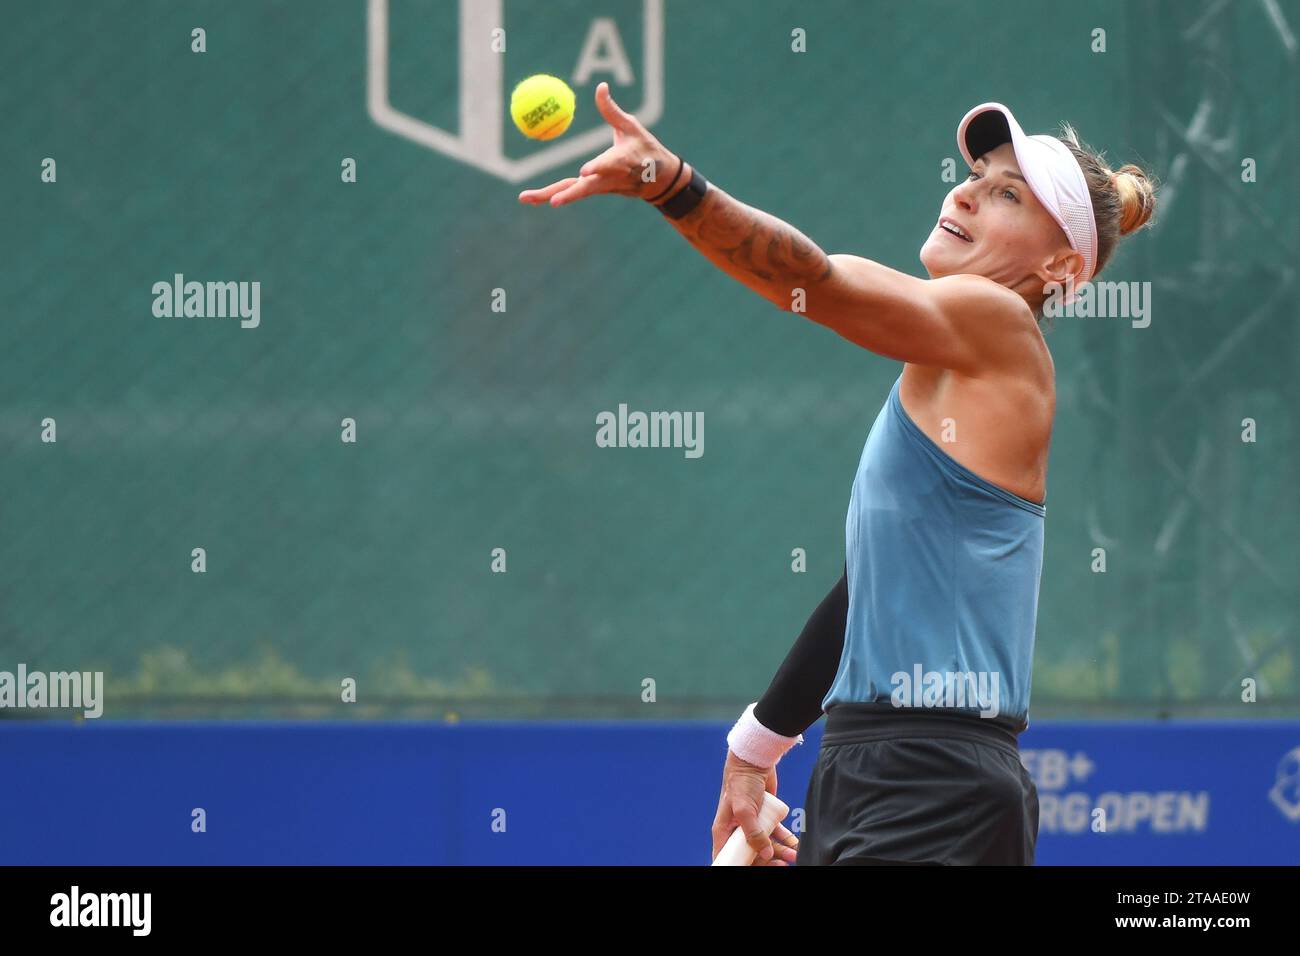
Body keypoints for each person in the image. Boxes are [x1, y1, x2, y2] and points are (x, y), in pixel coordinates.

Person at [520, 83, 1157, 865]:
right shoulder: (949, 367)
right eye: (977, 174)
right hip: (878, 767)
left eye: (1006, 194)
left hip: (934, 782)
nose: (964, 191)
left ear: (1058, 264)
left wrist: (671, 183)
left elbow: (817, 284)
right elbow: (869, 590)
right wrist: (755, 747)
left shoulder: (998, 327)